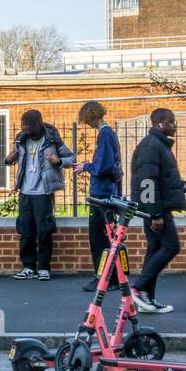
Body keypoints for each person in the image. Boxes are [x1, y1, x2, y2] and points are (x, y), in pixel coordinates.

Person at [129, 108, 186, 313]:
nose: (175, 125)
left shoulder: (158, 145)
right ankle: (137, 288)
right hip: (155, 209)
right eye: (171, 121)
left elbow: (161, 178)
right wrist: (155, 213)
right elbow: (147, 181)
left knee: (154, 250)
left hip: (156, 206)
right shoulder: (152, 146)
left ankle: (147, 299)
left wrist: (183, 186)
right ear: (159, 124)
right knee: (171, 247)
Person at [5, 110, 72, 281]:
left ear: (38, 124)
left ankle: (43, 267)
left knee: (44, 231)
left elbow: (71, 158)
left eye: (29, 125)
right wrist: (9, 159)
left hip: (43, 192)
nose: (26, 128)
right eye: (23, 125)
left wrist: (58, 161)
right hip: (25, 192)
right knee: (26, 231)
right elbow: (9, 159)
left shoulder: (52, 140)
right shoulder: (21, 140)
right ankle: (28, 267)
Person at [73, 100, 122, 292]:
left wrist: (86, 166)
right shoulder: (109, 134)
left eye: (87, 120)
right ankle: (113, 278)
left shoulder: (105, 135)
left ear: (91, 116)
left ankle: (104, 278)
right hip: (107, 193)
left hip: (102, 195)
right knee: (108, 239)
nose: (87, 124)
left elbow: (102, 167)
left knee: (99, 240)